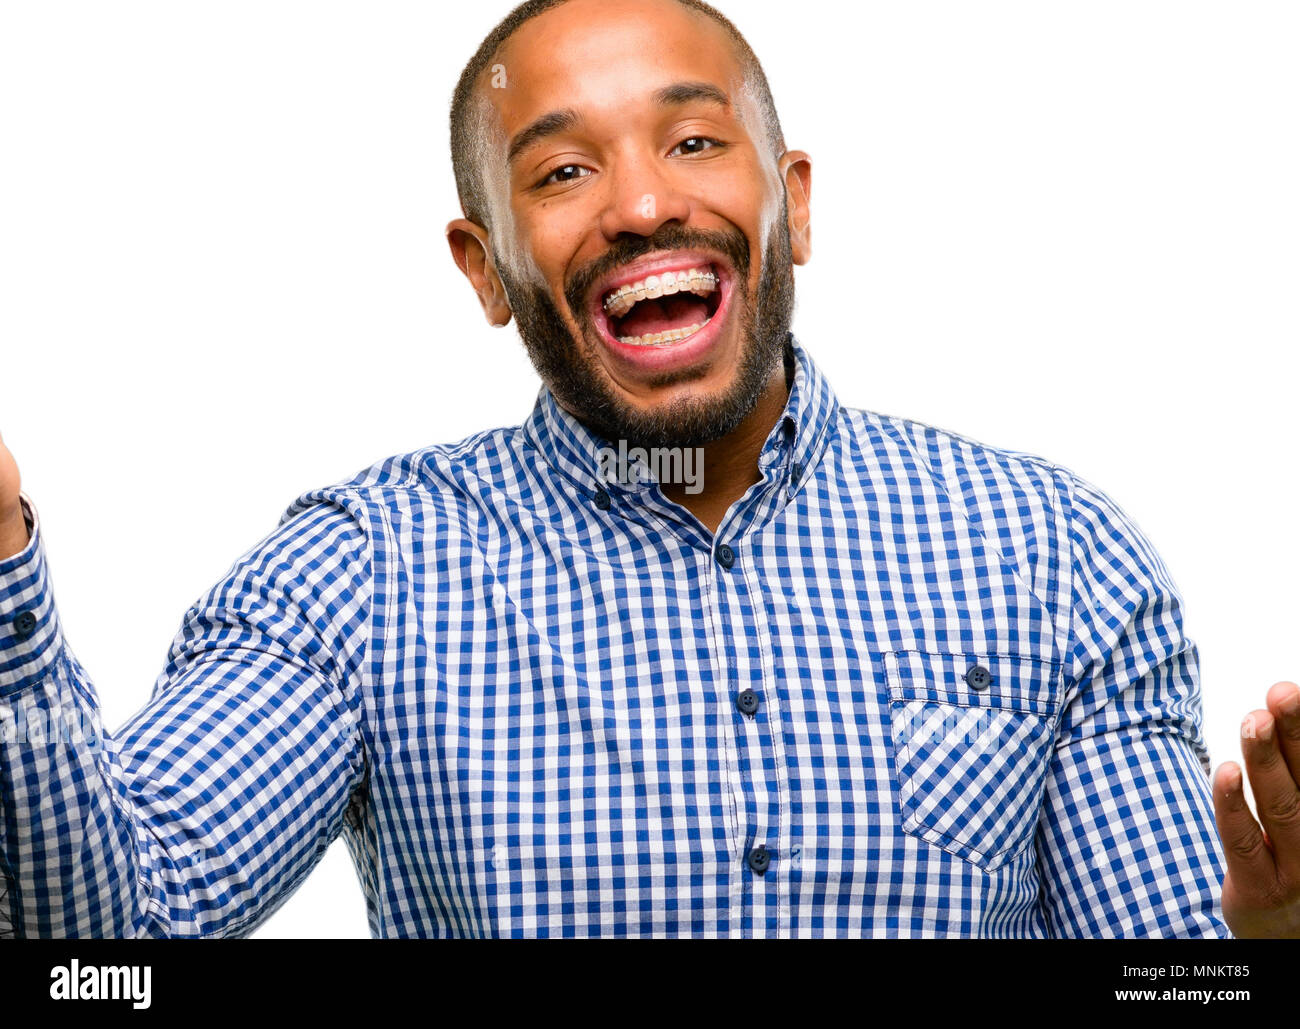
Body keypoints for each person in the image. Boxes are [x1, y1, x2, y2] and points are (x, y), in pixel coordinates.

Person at [0, 0, 1296, 938]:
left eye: (691, 143)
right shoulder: (363, 572)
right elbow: (108, 935)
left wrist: (1266, 946)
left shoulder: (1050, 552)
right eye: (563, 171)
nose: (639, 208)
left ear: (793, 200)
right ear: (487, 268)